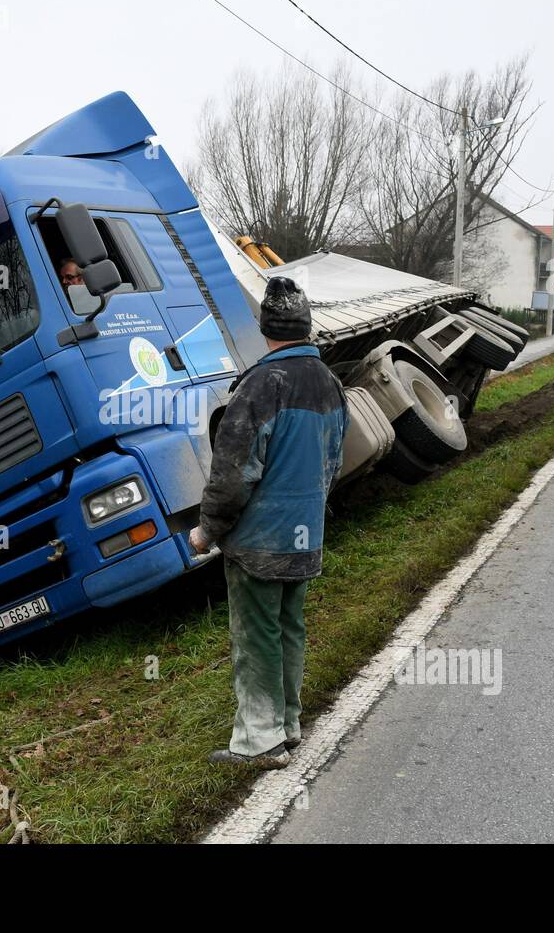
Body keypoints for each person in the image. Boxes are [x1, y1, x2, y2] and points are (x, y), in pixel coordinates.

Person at [189, 276, 347, 769]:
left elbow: (232, 475)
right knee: (288, 627)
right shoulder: (331, 384)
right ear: (307, 326)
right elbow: (333, 463)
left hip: (259, 541)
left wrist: (207, 530)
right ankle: (289, 724)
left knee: (257, 637)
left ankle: (261, 740)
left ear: (265, 329)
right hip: (306, 536)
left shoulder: (260, 385)